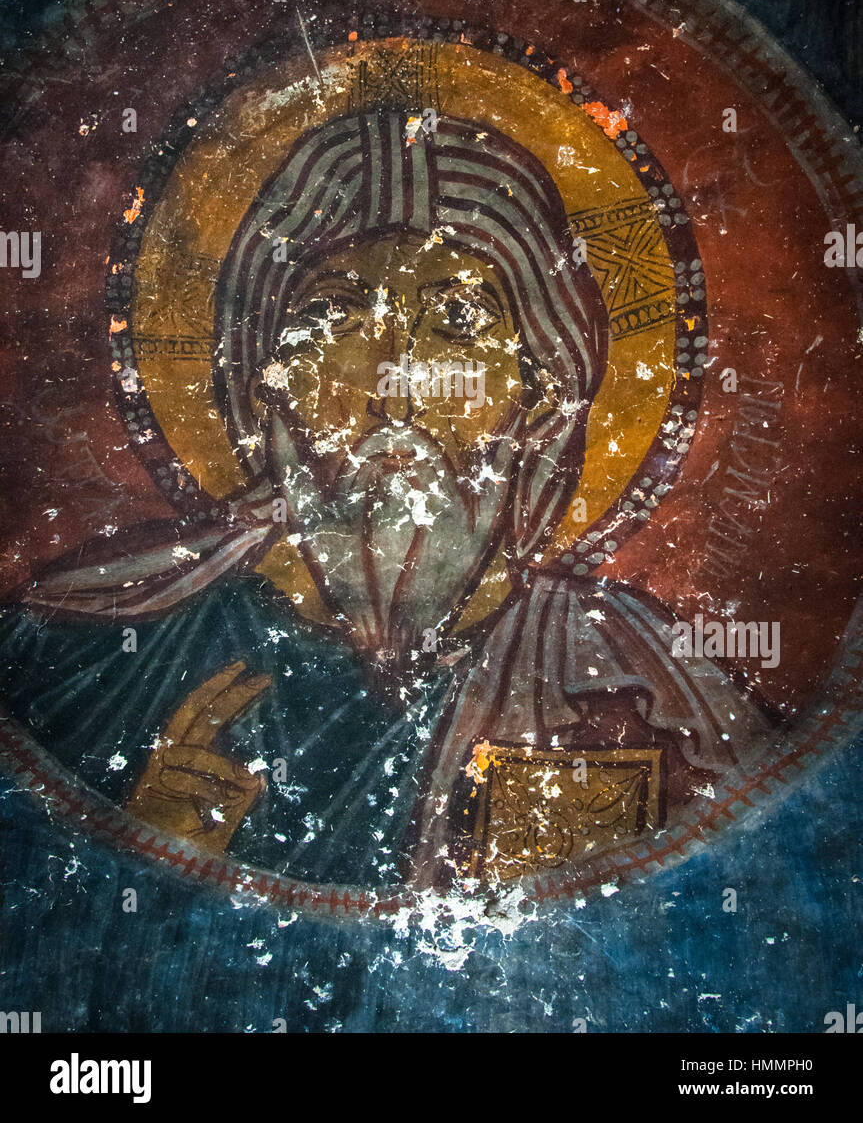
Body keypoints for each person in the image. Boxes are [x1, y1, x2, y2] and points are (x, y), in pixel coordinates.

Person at [0, 110, 770, 889]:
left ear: (543, 396)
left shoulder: (634, 686)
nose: (392, 394)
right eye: (331, 318)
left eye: (458, 324)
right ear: (257, 387)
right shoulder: (98, 646)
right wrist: (149, 858)